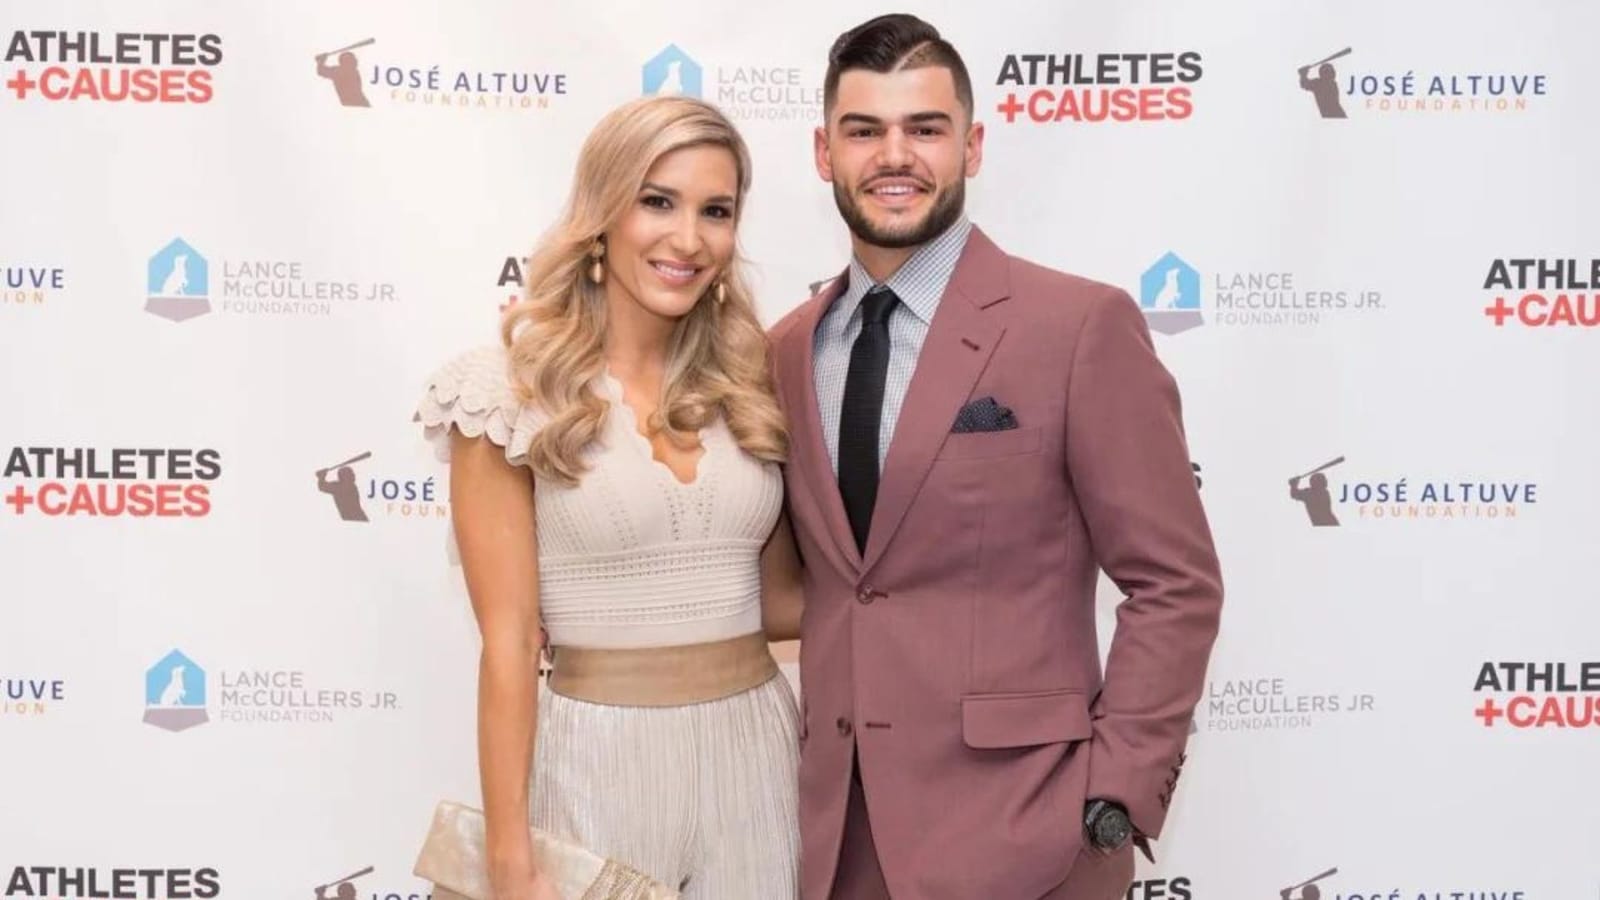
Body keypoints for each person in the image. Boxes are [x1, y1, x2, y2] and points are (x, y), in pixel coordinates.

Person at [766, 15, 1224, 900]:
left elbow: (1176, 581)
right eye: (865, 131)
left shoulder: (1078, 328)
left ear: (972, 146)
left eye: (924, 129)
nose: (894, 156)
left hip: (1033, 842)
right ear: (824, 153)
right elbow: (807, 580)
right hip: (837, 845)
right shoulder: (785, 350)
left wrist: (1116, 794)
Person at [414, 95, 805, 900]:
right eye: (657, 201)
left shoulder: (753, 383)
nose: (688, 238)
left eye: (716, 211)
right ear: (602, 212)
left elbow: (788, 602)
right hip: (594, 764)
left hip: (759, 760)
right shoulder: (507, 390)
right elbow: (511, 641)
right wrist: (511, 861)